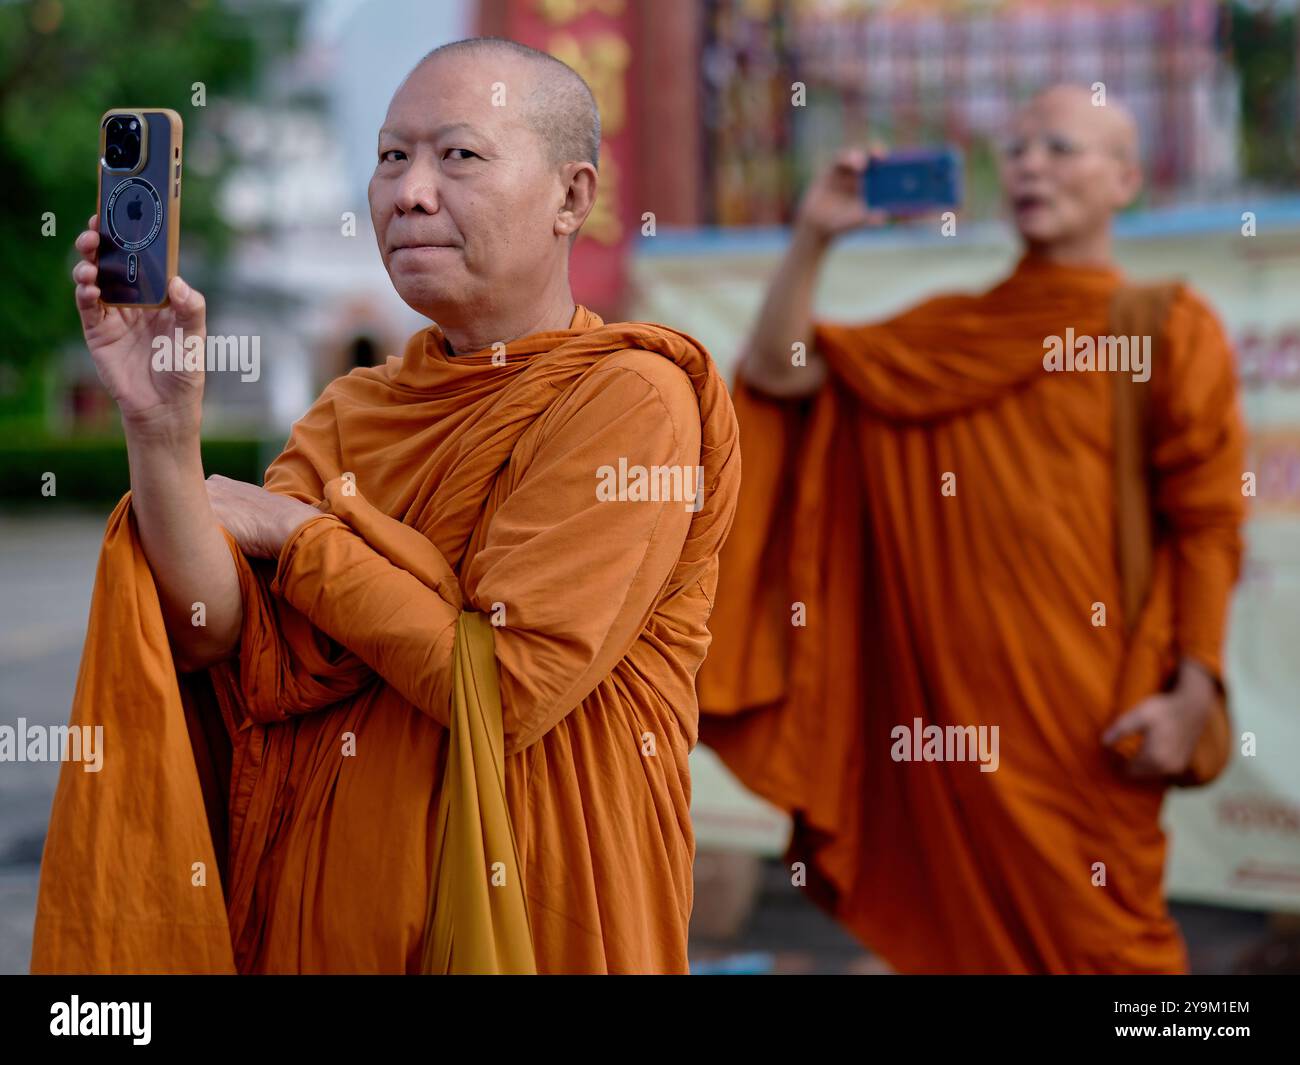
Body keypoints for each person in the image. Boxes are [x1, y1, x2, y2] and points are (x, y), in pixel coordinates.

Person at [34, 36, 739, 975]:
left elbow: (501, 688)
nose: (408, 191)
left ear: (572, 198)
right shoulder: (354, 411)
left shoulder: (629, 400)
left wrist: (305, 534)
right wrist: (162, 428)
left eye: (459, 155)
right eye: (389, 156)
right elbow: (221, 636)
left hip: (535, 924)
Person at [697, 85, 1246, 974]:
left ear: (1126, 179)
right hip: (942, 712)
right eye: (1018, 151)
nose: (1030, 164)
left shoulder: (1163, 325)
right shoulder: (953, 333)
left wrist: (1196, 690)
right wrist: (815, 232)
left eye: (1061, 147)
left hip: (1086, 715)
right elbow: (779, 370)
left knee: (1116, 948)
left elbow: (1209, 523)